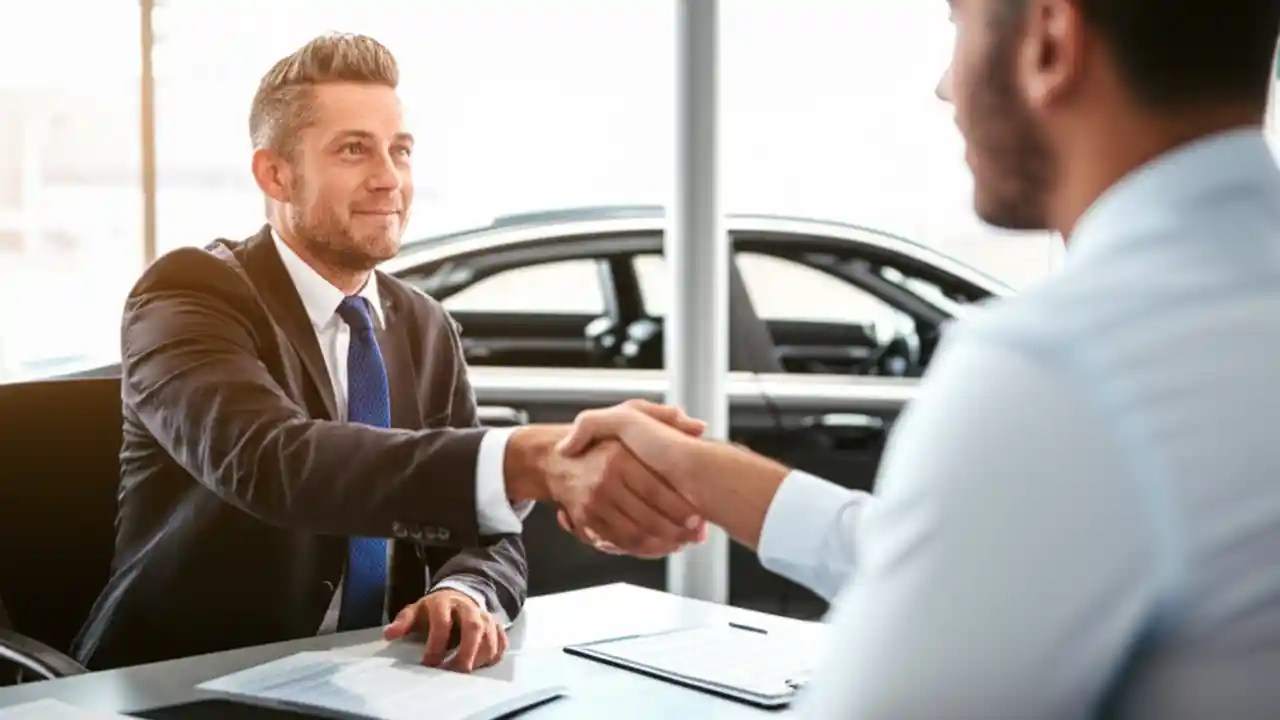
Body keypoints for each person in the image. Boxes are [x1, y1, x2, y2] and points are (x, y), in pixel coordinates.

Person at [559, 0, 1280, 716]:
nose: (945, 85)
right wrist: (694, 468)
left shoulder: (1065, 363)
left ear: (1049, 41)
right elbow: (982, 568)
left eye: (957, 23)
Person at [72, 33, 705, 672]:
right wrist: (526, 459)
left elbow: (489, 533)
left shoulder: (424, 324)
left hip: (376, 677)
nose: (388, 178)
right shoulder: (190, 292)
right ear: (276, 174)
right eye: (354, 150)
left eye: (400, 151)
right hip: (186, 681)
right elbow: (273, 461)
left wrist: (465, 589)